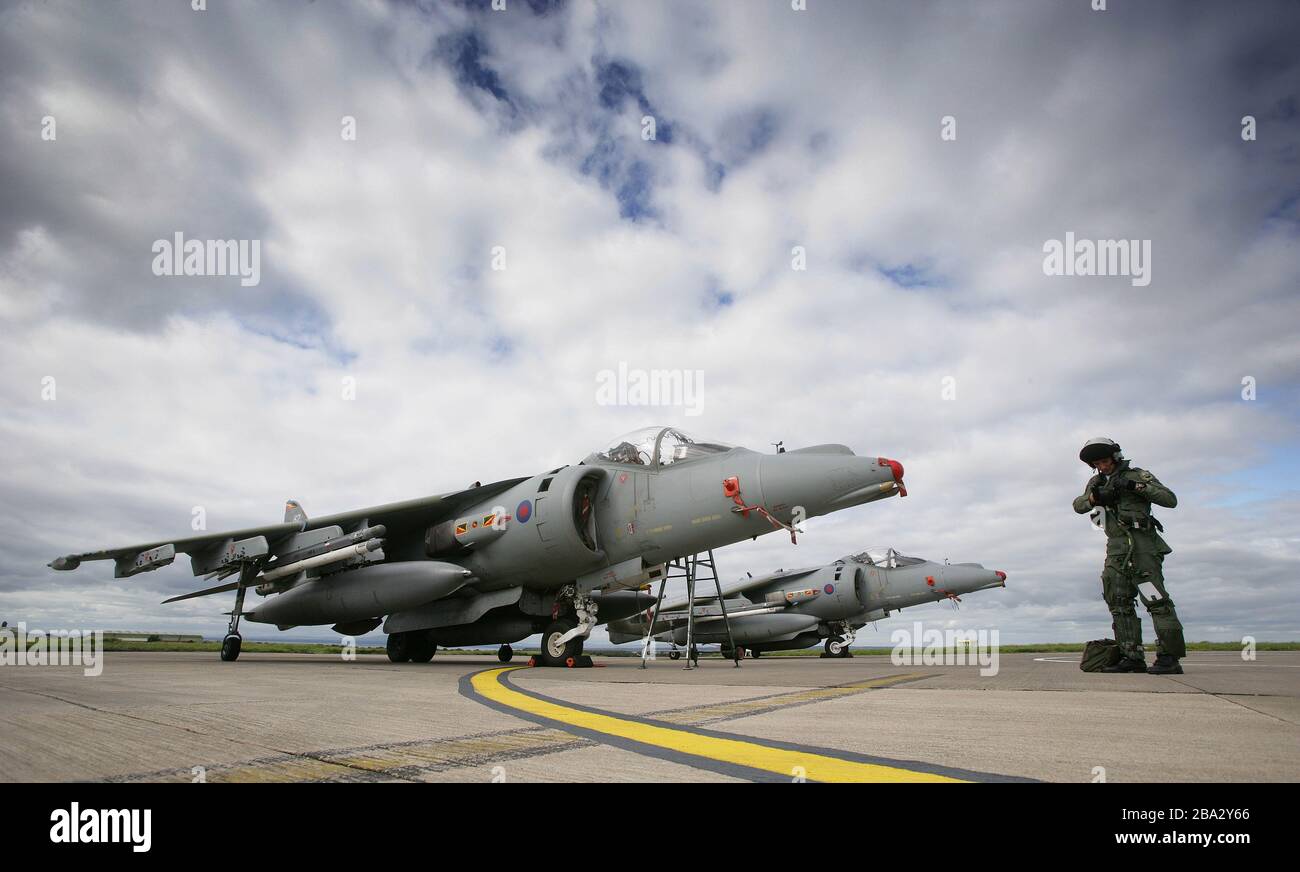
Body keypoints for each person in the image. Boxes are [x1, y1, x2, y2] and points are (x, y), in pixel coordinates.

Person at [1072, 437, 1185, 674]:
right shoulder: (1096, 482)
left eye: (1105, 461)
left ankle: (1169, 657)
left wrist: (1135, 487)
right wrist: (1095, 497)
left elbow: (1170, 499)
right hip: (1116, 551)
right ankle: (1131, 656)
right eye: (1097, 463)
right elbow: (1079, 505)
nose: (1102, 466)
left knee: (1156, 601)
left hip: (1142, 549)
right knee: (1119, 602)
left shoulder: (1137, 475)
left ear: (1115, 457)